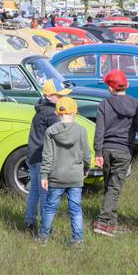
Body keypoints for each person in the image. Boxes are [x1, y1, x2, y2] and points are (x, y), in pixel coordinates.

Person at [92, 69, 138, 237]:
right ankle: (103, 223)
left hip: (106, 150)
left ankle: (111, 222)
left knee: (109, 186)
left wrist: (98, 152)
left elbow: (99, 130)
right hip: (124, 150)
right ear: (128, 85)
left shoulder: (104, 104)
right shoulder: (136, 104)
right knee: (114, 188)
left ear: (110, 89)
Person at [38, 96, 91, 245]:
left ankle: (43, 237)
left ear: (57, 113)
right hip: (75, 177)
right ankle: (77, 240)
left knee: (50, 208)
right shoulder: (81, 130)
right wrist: (86, 168)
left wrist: (44, 175)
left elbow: (47, 155)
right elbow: (86, 154)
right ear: (75, 113)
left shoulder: (50, 131)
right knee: (75, 210)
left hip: (56, 177)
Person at [25, 79, 68, 231]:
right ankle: (45, 226)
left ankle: (30, 221)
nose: (63, 98)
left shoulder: (41, 108)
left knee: (34, 192)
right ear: (49, 95)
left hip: (33, 156)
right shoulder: (51, 113)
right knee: (45, 194)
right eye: (59, 95)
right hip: (44, 158)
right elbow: (61, 135)